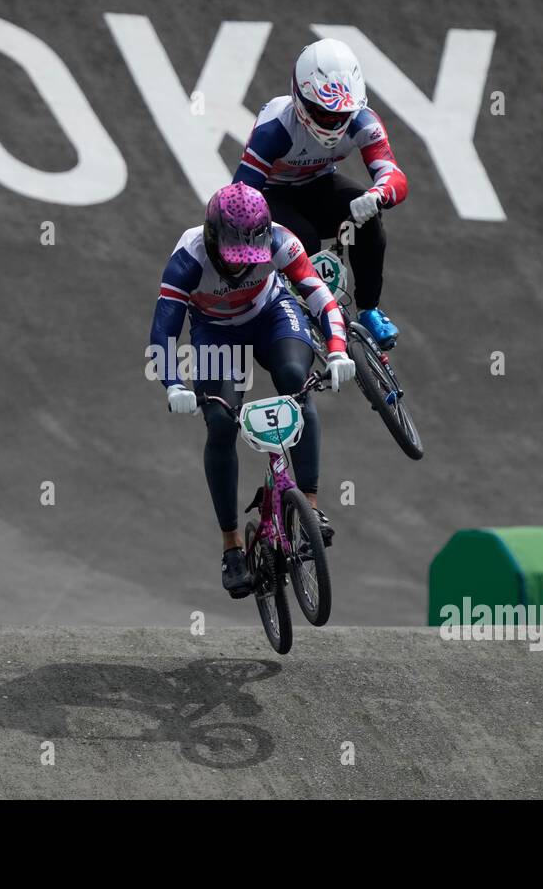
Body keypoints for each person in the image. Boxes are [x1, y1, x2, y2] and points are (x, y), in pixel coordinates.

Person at [149, 183, 355, 598]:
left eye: (251, 260)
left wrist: (336, 352)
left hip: (272, 315)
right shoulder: (188, 260)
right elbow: (163, 332)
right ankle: (231, 547)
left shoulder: (282, 241)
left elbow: (321, 300)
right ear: (212, 237)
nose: (241, 268)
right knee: (222, 423)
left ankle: (309, 511)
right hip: (216, 332)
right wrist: (173, 384)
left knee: (297, 382)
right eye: (232, 259)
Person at [234, 37, 408, 349]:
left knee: (368, 219)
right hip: (272, 195)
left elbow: (393, 175)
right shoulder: (274, 128)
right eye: (323, 113)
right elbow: (241, 197)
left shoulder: (363, 121)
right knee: (303, 239)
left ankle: (369, 309)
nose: (332, 123)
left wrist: (378, 194)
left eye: (341, 116)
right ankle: (312, 313)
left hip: (319, 185)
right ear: (299, 97)